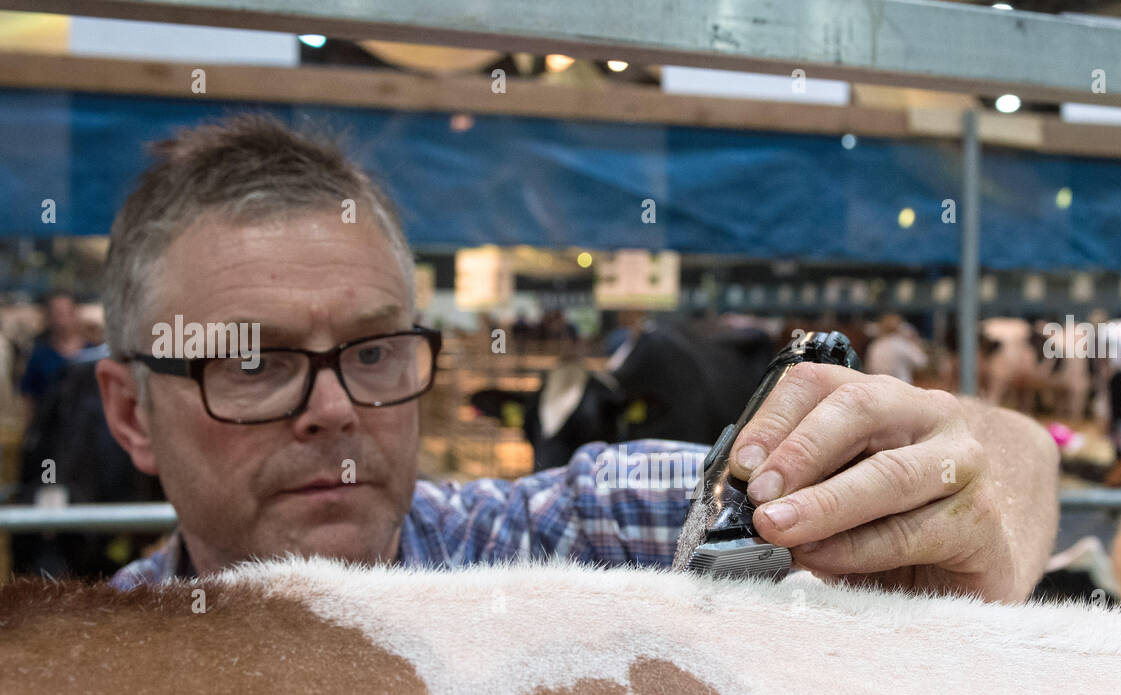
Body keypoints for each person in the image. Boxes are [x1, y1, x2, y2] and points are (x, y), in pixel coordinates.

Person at [99, 114, 1059, 603]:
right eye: (254, 365)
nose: (335, 409)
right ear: (132, 411)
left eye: (376, 350)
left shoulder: (570, 542)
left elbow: (1021, 451)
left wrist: (969, 475)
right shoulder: (84, 668)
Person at [18, 291, 90, 428]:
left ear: (75, 313)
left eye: (65, 312)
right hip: (51, 432)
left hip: (86, 431)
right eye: (56, 313)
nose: (61, 319)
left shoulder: (93, 354)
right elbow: (29, 399)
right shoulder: (39, 356)